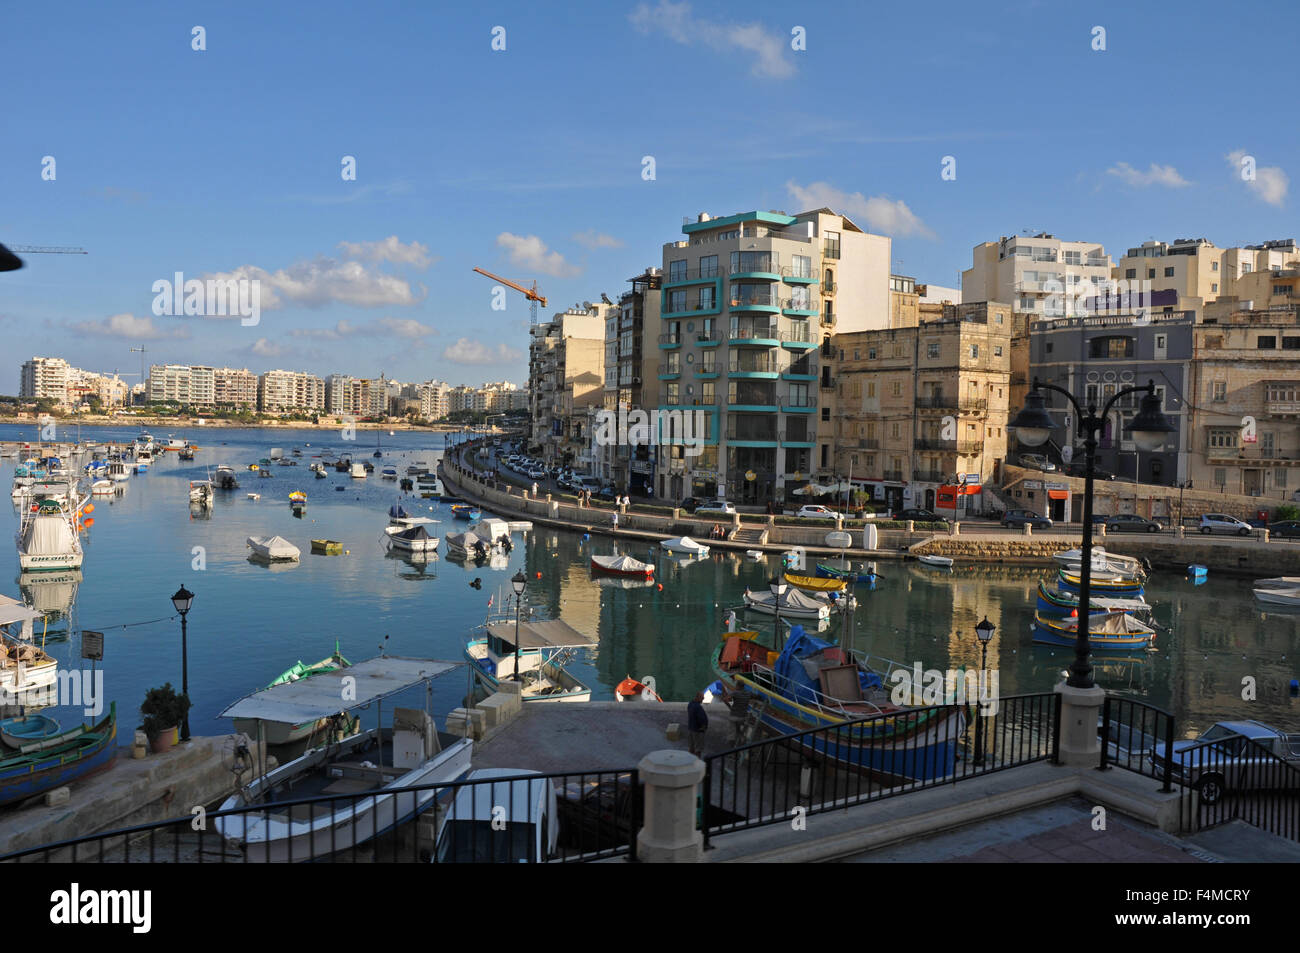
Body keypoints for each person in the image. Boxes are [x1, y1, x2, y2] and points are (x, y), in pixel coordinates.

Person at [687, 691, 708, 756]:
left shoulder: (690, 704)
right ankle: (697, 761)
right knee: (698, 749)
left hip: (691, 728)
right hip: (697, 730)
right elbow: (701, 719)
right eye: (702, 698)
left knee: (691, 747)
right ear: (698, 698)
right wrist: (703, 727)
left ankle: (690, 760)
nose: (703, 699)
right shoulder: (698, 707)